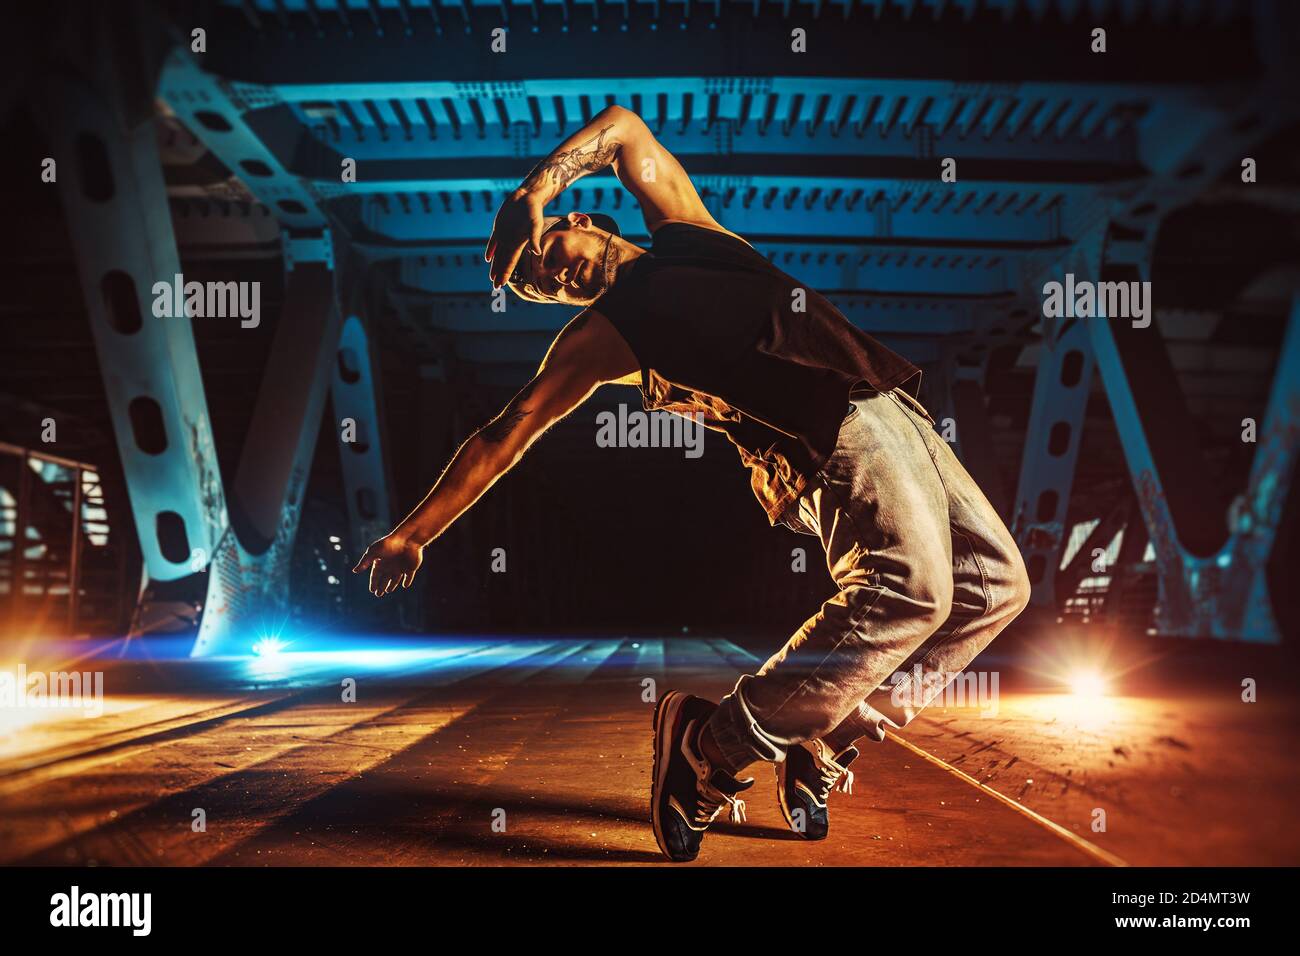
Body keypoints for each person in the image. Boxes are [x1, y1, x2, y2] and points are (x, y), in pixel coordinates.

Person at [353, 105, 1031, 863]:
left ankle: (823, 733)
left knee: (996, 587)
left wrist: (526, 198)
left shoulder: (689, 235)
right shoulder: (603, 337)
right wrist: (413, 532)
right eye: (539, 288)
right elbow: (506, 433)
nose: (549, 274)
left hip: (888, 403)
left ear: (582, 218)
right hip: (826, 432)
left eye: (548, 252)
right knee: (912, 590)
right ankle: (708, 748)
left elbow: (624, 129)